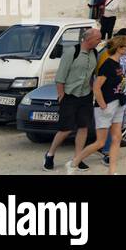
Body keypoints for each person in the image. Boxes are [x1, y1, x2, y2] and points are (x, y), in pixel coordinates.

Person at [44, 28, 101, 173]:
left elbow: (93, 75)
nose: (100, 41)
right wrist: (61, 94)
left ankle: (78, 158)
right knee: (65, 129)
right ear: (88, 39)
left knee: (83, 127)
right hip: (69, 95)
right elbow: (60, 76)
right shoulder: (72, 52)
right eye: (97, 39)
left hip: (85, 95)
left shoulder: (94, 53)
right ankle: (50, 155)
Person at [77, 33, 126, 175]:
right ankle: (75, 162)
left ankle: (111, 172)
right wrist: (103, 105)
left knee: (117, 138)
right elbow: (96, 86)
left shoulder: (118, 64)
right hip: (107, 105)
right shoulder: (107, 64)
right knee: (100, 142)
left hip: (119, 103)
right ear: (118, 47)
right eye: (125, 46)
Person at [99, 29, 126, 163]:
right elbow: (103, 76)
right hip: (114, 93)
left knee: (119, 124)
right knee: (111, 124)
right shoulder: (111, 57)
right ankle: (106, 152)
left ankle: (110, 152)